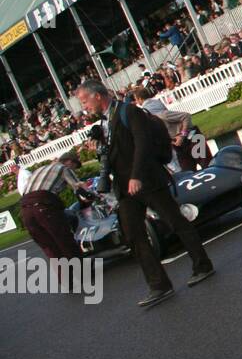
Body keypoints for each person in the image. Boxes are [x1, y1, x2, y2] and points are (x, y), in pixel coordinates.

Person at [75, 79, 215, 309]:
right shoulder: (104, 122)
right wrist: (100, 148)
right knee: (133, 234)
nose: (84, 107)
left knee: (175, 221)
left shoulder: (129, 111)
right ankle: (159, 284)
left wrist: (137, 175)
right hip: (124, 187)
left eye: (84, 101)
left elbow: (143, 143)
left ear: (97, 96)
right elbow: (115, 152)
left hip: (147, 180)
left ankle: (202, 265)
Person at [18, 150, 85, 261]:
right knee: (65, 240)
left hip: (26, 210)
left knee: (49, 247)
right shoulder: (64, 169)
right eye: (74, 166)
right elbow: (79, 189)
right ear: (68, 161)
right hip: (44, 206)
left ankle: (65, 276)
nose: (74, 169)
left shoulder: (38, 170)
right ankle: (81, 271)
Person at [131, 87, 203, 171]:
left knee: (206, 165)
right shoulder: (156, 103)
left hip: (193, 138)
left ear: (139, 98)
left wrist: (182, 135)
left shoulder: (161, 115)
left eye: (136, 99)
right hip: (179, 143)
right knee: (188, 173)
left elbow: (186, 116)